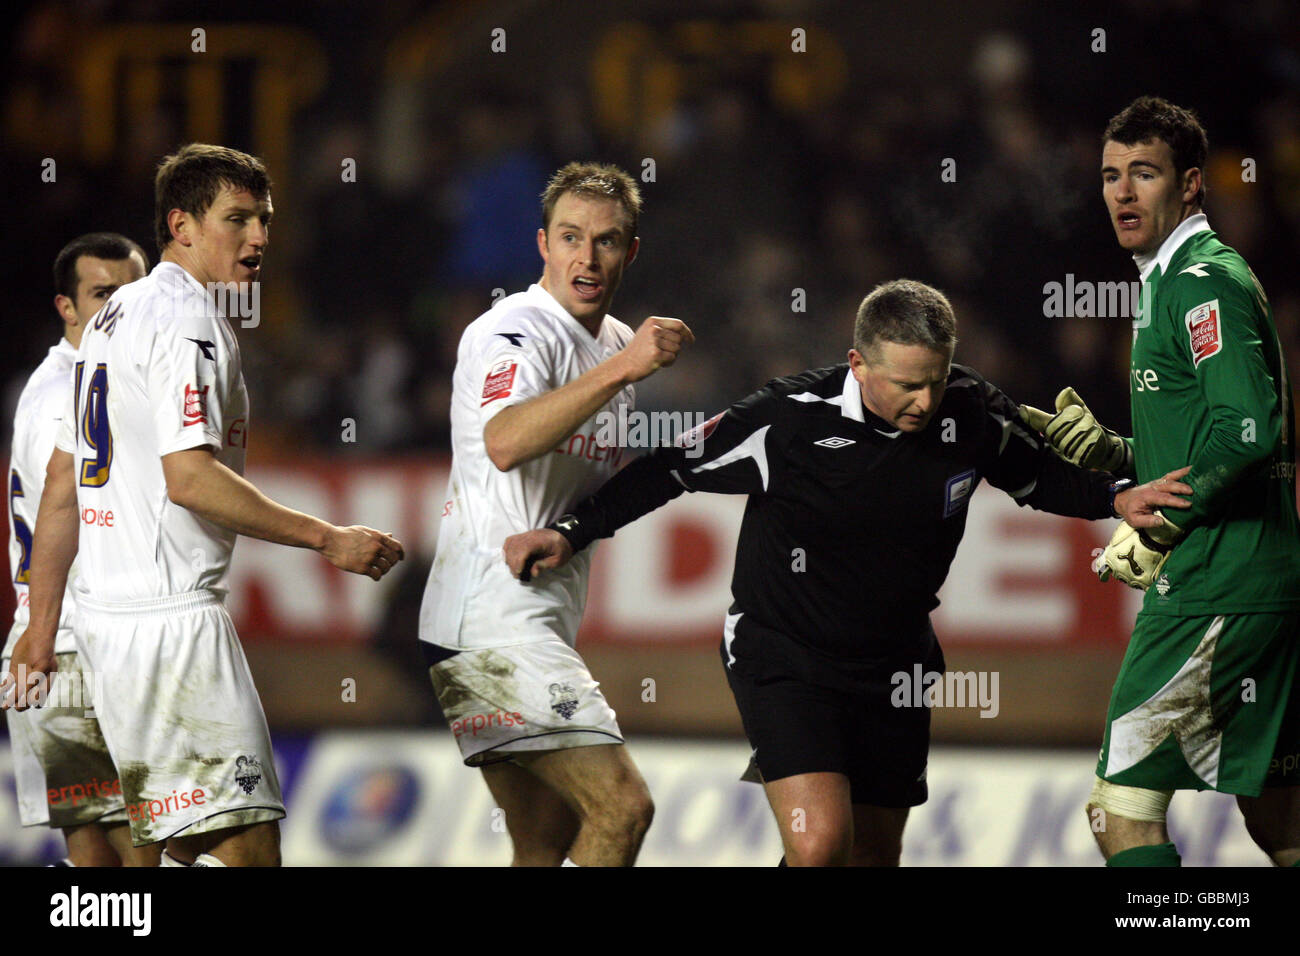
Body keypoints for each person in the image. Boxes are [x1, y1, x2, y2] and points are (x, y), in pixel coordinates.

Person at [505, 278, 1188, 866]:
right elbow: (669, 469)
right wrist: (571, 531)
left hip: (897, 663)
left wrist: (1114, 498)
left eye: (938, 379)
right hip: (785, 653)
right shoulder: (787, 421)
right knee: (819, 844)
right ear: (859, 363)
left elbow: (1035, 480)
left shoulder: (970, 411)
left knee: (871, 856)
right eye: (907, 384)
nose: (925, 401)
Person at [2, 144, 405, 867]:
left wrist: (41, 624)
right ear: (180, 224)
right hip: (170, 629)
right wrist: (326, 538)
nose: (258, 239)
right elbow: (190, 479)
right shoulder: (189, 322)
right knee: (249, 851)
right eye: (238, 219)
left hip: (103, 632)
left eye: (265, 220)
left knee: (148, 859)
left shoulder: (113, 317)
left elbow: (62, 488)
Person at [1021, 96, 1300, 867]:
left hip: (1215, 585)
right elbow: (1209, 434)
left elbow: (1249, 428)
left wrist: (1169, 518)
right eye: (1110, 175)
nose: (1121, 192)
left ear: (1189, 186)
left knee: (1123, 813)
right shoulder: (1175, 281)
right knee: (1282, 820)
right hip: (1261, 580)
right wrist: (1115, 454)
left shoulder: (1199, 283)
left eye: (1144, 173)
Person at [418, 161, 693, 866]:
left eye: (606, 240)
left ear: (630, 252)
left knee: (543, 843)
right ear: (542, 243)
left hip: (527, 621)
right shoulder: (513, 331)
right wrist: (623, 370)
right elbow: (505, 440)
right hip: (491, 620)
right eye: (571, 237)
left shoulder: (611, 343)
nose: (587, 256)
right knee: (622, 807)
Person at [2, 232, 159, 866]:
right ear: (66, 307)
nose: (120, 308)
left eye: (132, 292)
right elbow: (63, 513)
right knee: (147, 847)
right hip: (78, 647)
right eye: (102, 295)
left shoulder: (63, 383)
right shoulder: (68, 396)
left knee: (96, 858)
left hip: (51, 647)